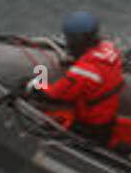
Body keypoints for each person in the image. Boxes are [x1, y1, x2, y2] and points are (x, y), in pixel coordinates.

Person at [28, 11, 124, 145]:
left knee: (46, 141)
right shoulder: (110, 49)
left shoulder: (84, 71)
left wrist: (34, 85)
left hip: (91, 128)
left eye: (70, 39)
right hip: (108, 121)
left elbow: (53, 94)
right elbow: (98, 70)